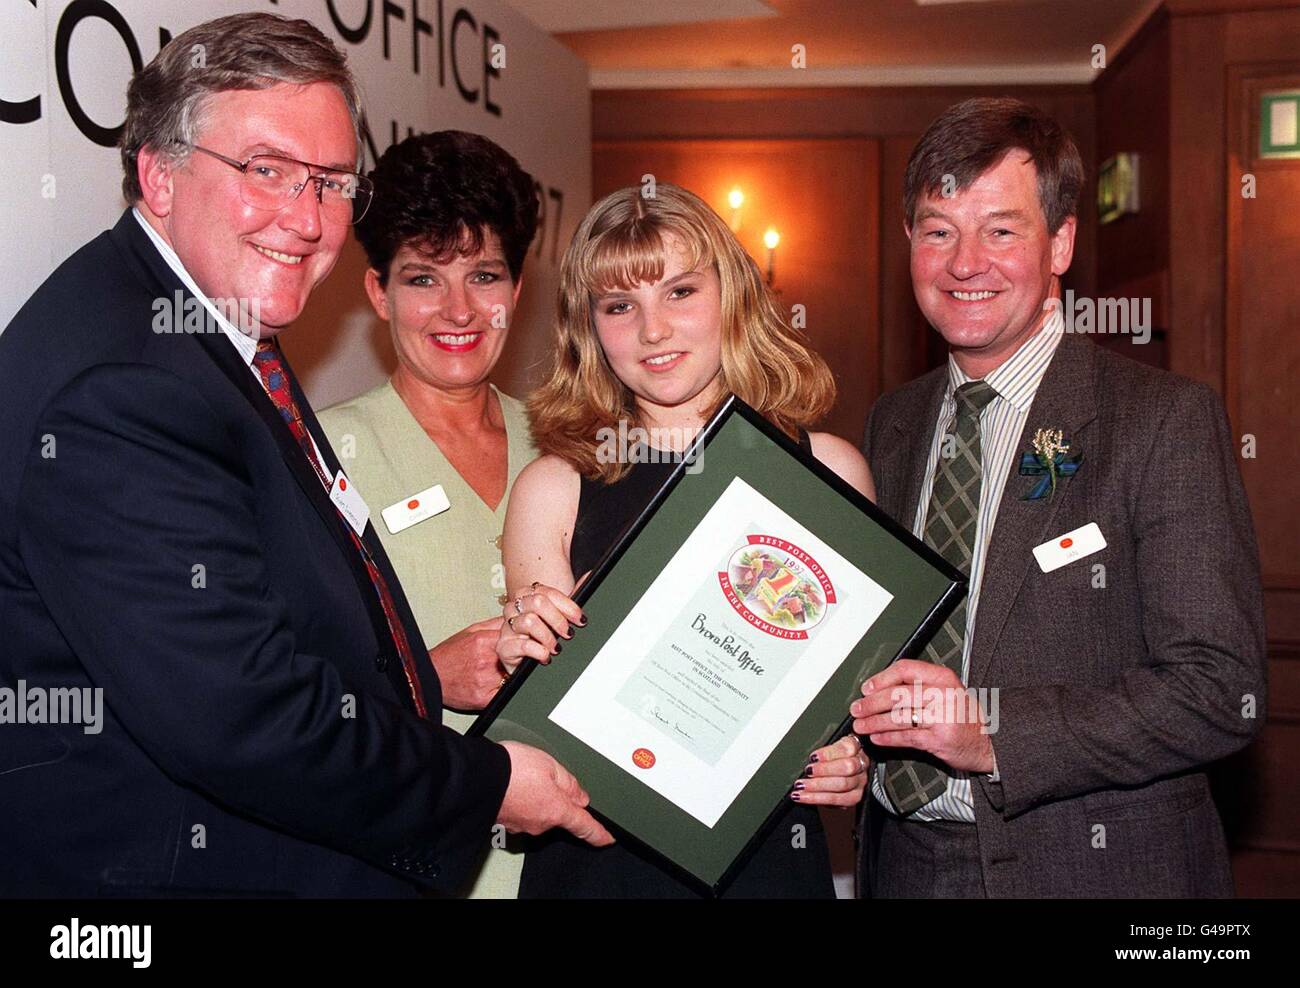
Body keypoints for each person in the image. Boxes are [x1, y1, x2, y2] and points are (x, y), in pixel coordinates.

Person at [0, 12, 609, 898]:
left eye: (329, 182)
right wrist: (487, 786)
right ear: (157, 175)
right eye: (266, 171)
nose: (306, 216)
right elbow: (238, 717)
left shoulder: (203, 336)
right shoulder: (128, 382)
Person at [851, 97, 1266, 897]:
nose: (965, 262)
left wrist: (996, 734)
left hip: (1091, 874)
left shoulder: (1161, 420)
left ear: (1062, 242)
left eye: (1001, 230)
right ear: (909, 243)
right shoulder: (890, 425)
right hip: (899, 867)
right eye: (939, 230)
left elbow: (1221, 689)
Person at [497, 182, 874, 898]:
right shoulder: (554, 486)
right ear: (590, 329)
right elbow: (544, 720)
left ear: (731, 295)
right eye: (619, 306)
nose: (653, 331)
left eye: (679, 293)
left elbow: (844, 693)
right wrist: (522, 641)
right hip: (599, 860)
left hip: (761, 858)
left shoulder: (828, 470)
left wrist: (849, 755)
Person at [319, 131, 541, 897]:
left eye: (484, 274)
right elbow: (277, 687)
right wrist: (420, 677)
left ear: (518, 287)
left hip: (572, 861)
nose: (458, 310)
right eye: (423, 279)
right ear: (378, 291)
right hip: (404, 861)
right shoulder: (321, 457)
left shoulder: (572, 445)